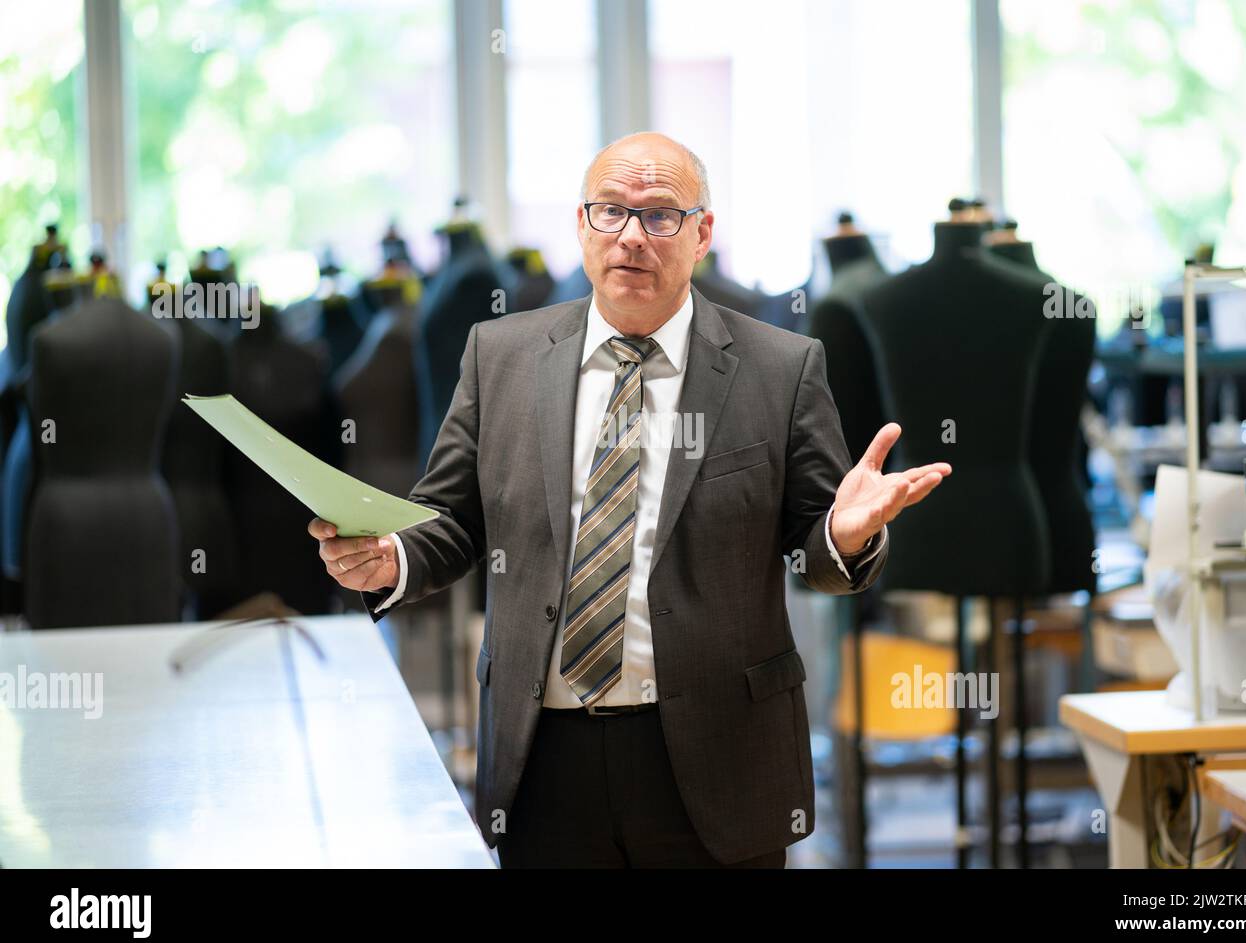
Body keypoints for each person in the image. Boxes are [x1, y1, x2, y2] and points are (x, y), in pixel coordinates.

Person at [309, 132, 950, 867]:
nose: (631, 238)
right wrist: (390, 558)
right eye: (610, 212)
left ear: (702, 233)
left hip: (716, 757)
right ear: (581, 226)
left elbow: (816, 551)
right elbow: (453, 522)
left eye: (660, 216)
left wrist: (843, 533)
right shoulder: (500, 356)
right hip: (541, 759)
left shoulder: (781, 368)